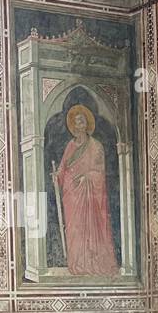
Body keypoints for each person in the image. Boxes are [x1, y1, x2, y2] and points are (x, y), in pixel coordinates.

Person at [52, 104, 118, 276]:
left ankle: (94, 263)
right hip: (71, 196)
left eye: (81, 121)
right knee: (75, 229)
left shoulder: (95, 146)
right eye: (75, 122)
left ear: (87, 124)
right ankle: (77, 264)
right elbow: (63, 167)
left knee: (90, 228)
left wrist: (86, 177)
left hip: (89, 195)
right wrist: (57, 176)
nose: (78, 125)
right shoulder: (70, 146)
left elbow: (99, 171)